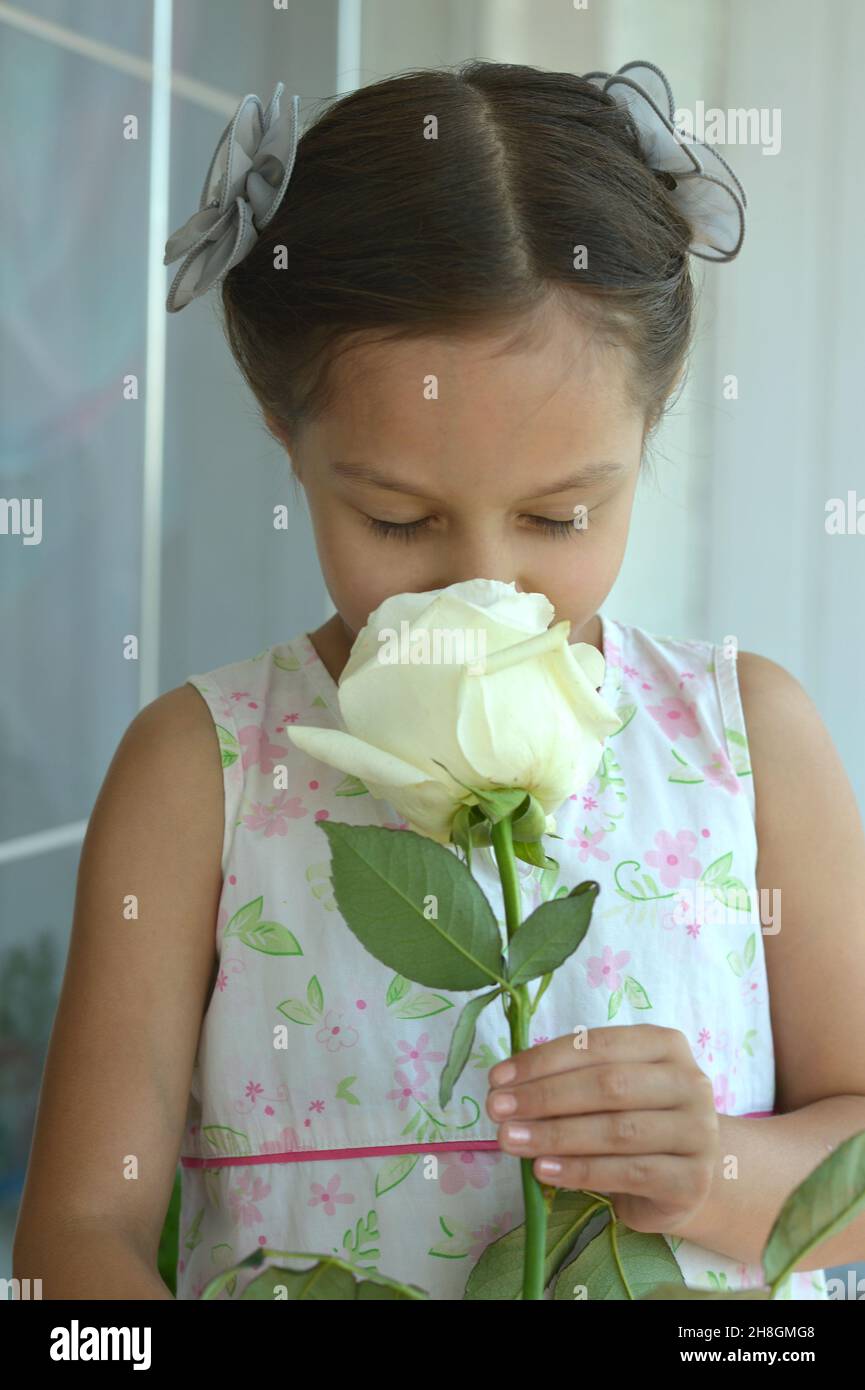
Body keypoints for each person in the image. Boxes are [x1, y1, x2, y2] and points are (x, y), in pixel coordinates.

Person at [14, 60, 865, 1302]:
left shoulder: (747, 745)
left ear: (654, 417)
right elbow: (73, 1239)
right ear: (282, 430)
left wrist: (717, 1170)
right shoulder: (202, 772)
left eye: (559, 515)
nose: (485, 585)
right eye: (400, 521)